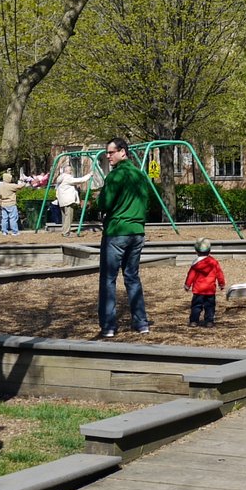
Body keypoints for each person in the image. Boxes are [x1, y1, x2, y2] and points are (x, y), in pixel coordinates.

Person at [95, 136, 156, 338]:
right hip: (137, 232)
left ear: (123, 152)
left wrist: (100, 200)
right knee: (132, 277)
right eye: (107, 152)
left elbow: (104, 203)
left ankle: (109, 326)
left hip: (117, 232)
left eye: (111, 152)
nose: (108, 156)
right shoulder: (140, 175)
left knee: (108, 279)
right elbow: (147, 202)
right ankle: (141, 323)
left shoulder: (114, 176)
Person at [184, 238, 226, 326]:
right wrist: (221, 283)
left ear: (196, 251)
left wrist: (187, 285)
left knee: (196, 306)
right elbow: (219, 274)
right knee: (210, 306)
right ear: (209, 250)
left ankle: (194, 321)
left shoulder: (195, 264)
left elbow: (191, 275)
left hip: (198, 289)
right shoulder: (214, 262)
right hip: (210, 289)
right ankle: (209, 321)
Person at [52, 160, 94, 237]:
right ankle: (66, 232)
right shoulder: (67, 178)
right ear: (67, 171)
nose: (71, 172)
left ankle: (64, 231)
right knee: (69, 217)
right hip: (68, 200)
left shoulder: (60, 178)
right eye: (70, 170)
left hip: (62, 200)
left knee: (65, 217)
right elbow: (80, 180)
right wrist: (89, 175)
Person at [0, 171, 21, 236]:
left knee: (4, 218)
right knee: (13, 218)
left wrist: (0, 203)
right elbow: (20, 187)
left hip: (3, 204)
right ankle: (15, 231)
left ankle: (4, 231)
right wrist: (24, 182)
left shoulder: (0, 187)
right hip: (11, 203)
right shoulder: (11, 186)